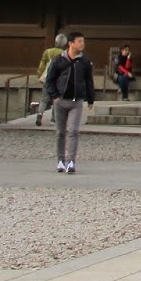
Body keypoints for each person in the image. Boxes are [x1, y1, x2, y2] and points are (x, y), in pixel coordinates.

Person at [43, 31, 94, 174]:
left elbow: (88, 80)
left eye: (83, 41)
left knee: (73, 131)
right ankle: (60, 160)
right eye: (80, 41)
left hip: (76, 101)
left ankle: (71, 161)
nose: (82, 44)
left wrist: (90, 98)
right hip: (60, 100)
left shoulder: (84, 62)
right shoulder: (59, 60)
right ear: (71, 43)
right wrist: (54, 96)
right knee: (60, 132)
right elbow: (50, 79)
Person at [35, 32, 67, 126]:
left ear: (55, 42)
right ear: (64, 43)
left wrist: (40, 75)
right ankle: (53, 119)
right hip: (59, 80)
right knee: (56, 99)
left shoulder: (48, 52)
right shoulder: (65, 54)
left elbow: (42, 65)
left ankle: (40, 114)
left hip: (48, 78)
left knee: (44, 99)